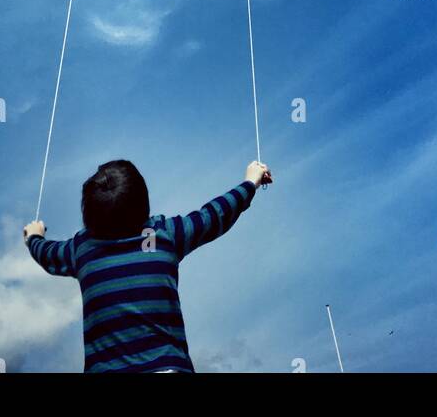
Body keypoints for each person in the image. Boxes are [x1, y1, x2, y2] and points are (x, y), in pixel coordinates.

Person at [23, 157, 272, 373]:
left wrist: (34, 236)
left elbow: (47, 254)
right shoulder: (163, 235)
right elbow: (215, 214)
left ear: (89, 213)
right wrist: (250, 182)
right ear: (143, 202)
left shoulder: (83, 249)